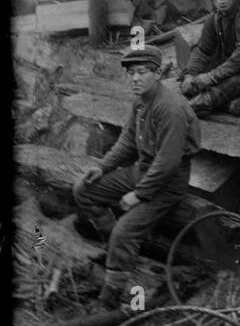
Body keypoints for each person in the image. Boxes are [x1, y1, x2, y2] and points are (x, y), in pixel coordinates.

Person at [73, 47, 200, 308]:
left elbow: (167, 163)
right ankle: (114, 251)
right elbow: (128, 142)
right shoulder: (141, 101)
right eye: (131, 73)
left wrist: (138, 195)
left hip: (167, 183)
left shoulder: (171, 108)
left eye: (143, 72)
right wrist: (103, 166)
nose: (135, 78)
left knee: (125, 231)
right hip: (143, 170)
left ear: (158, 73)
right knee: (83, 190)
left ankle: (109, 299)